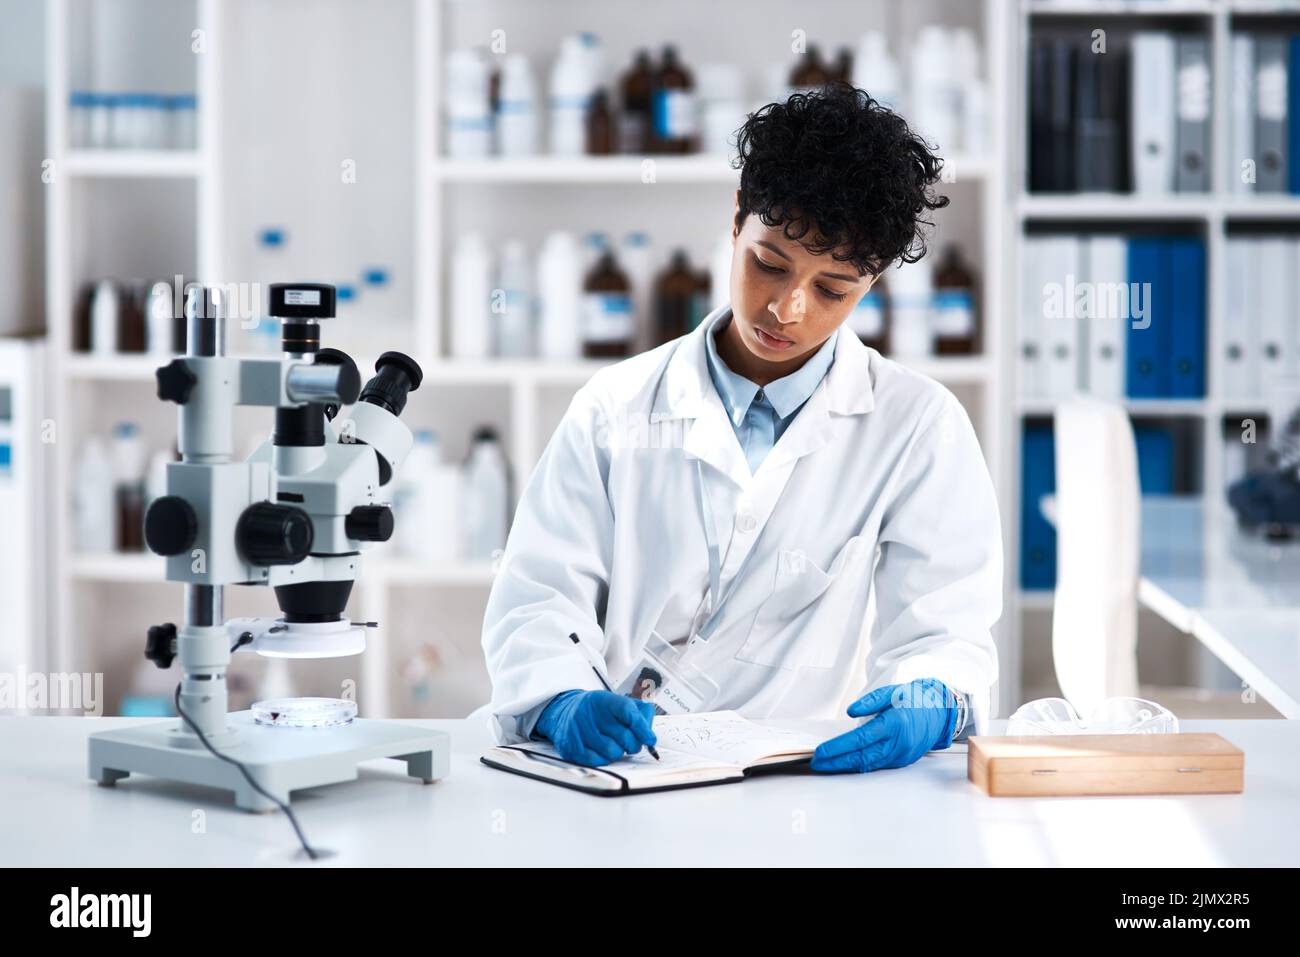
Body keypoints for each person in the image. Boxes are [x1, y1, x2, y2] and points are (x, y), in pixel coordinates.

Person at [481, 83, 1001, 774]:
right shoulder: (615, 405)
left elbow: (945, 625)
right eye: (769, 264)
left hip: (803, 787)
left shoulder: (917, 426)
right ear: (736, 220)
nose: (787, 309)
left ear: (871, 283)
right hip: (618, 776)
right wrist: (561, 698)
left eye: (832, 289)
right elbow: (539, 593)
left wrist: (935, 692)